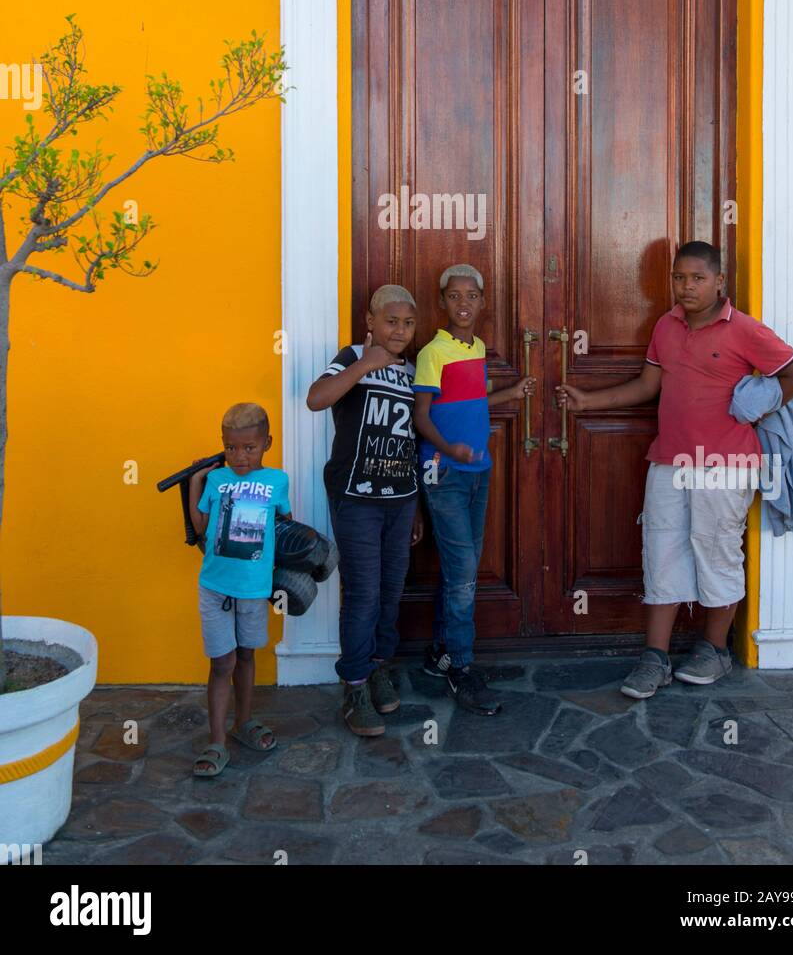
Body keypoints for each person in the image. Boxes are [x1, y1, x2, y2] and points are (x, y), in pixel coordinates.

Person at [557, 241, 793, 698]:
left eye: (697, 277)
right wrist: (588, 400)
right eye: (679, 277)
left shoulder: (745, 330)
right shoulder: (666, 326)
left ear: (718, 282)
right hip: (669, 460)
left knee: (716, 552)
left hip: (725, 463)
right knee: (661, 551)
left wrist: (758, 405)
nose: (687, 286)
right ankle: (655, 658)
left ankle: (713, 649)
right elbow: (648, 385)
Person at [413, 264, 535, 715]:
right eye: (454, 296)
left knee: (462, 565)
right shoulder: (432, 353)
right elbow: (422, 415)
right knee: (463, 569)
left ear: (483, 303)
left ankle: (440, 653)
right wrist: (451, 450)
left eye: (472, 296)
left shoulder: (478, 347)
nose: (463, 304)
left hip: (477, 469)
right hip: (444, 470)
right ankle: (461, 668)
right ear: (442, 302)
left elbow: (470, 401)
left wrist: (512, 393)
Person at [307, 285, 424, 737]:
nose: (399, 330)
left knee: (391, 589)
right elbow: (316, 399)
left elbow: (412, 438)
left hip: (401, 497)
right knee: (363, 591)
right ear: (370, 322)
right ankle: (354, 683)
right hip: (356, 497)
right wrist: (364, 365)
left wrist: (416, 508)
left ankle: (378, 665)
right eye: (391, 321)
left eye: (408, 323)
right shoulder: (352, 354)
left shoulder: (412, 371)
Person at [188, 403, 290, 776]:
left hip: (253, 589)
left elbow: (285, 527)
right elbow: (200, 527)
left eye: (249, 447)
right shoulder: (217, 481)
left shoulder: (277, 482)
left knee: (246, 657)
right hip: (214, 587)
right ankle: (216, 741)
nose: (240, 456)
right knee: (222, 663)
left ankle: (242, 722)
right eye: (231, 448)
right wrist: (197, 482)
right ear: (223, 445)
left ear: (267, 443)